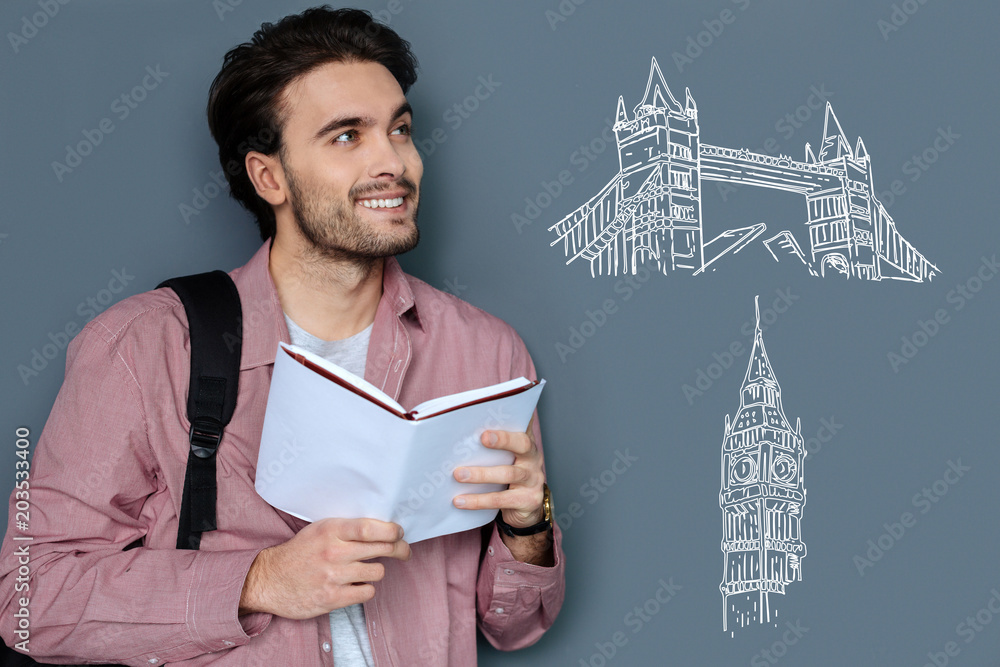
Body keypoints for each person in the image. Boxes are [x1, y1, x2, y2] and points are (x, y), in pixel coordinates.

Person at [0, 7, 564, 665]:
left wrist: (530, 526)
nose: (395, 161)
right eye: (347, 136)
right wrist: (260, 579)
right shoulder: (144, 344)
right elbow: (26, 598)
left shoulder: (487, 353)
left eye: (400, 129)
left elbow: (514, 627)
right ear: (270, 177)